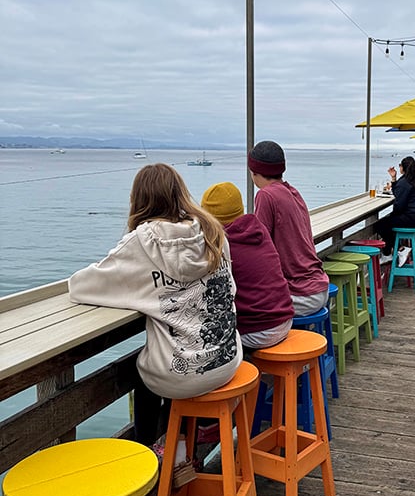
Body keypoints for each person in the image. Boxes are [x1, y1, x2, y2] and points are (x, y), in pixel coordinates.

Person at [68, 163, 242, 450]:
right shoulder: (213, 232)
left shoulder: (141, 242)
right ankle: (184, 444)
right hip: (228, 360)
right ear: (181, 194)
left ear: (138, 199)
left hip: (185, 375)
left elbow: (81, 286)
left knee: (142, 368)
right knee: (170, 356)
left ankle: (148, 453)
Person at [201, 181, 294, 350]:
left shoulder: (223, 246)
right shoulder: (259, 229)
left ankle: (242, 372)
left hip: (257, 331)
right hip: (285, 319)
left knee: (205, 338)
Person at [248, 140, 329, 316]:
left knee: (242, 306)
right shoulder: (292, 191)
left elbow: (259, 245)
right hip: (320, 285)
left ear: (254, 172)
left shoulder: (265, 195)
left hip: (299, 294)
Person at [376, 156, 415, 257]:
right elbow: (399, 192)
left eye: (400, 165)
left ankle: (400, 249)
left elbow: (399, 205)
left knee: (381, 225)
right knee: (388, 224)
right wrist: (393, 178)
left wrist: (392, 215)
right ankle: (389, 253)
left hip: (413, 218)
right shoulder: (413, 179)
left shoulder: (405, 182)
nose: (399, 167)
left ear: (403, 168)